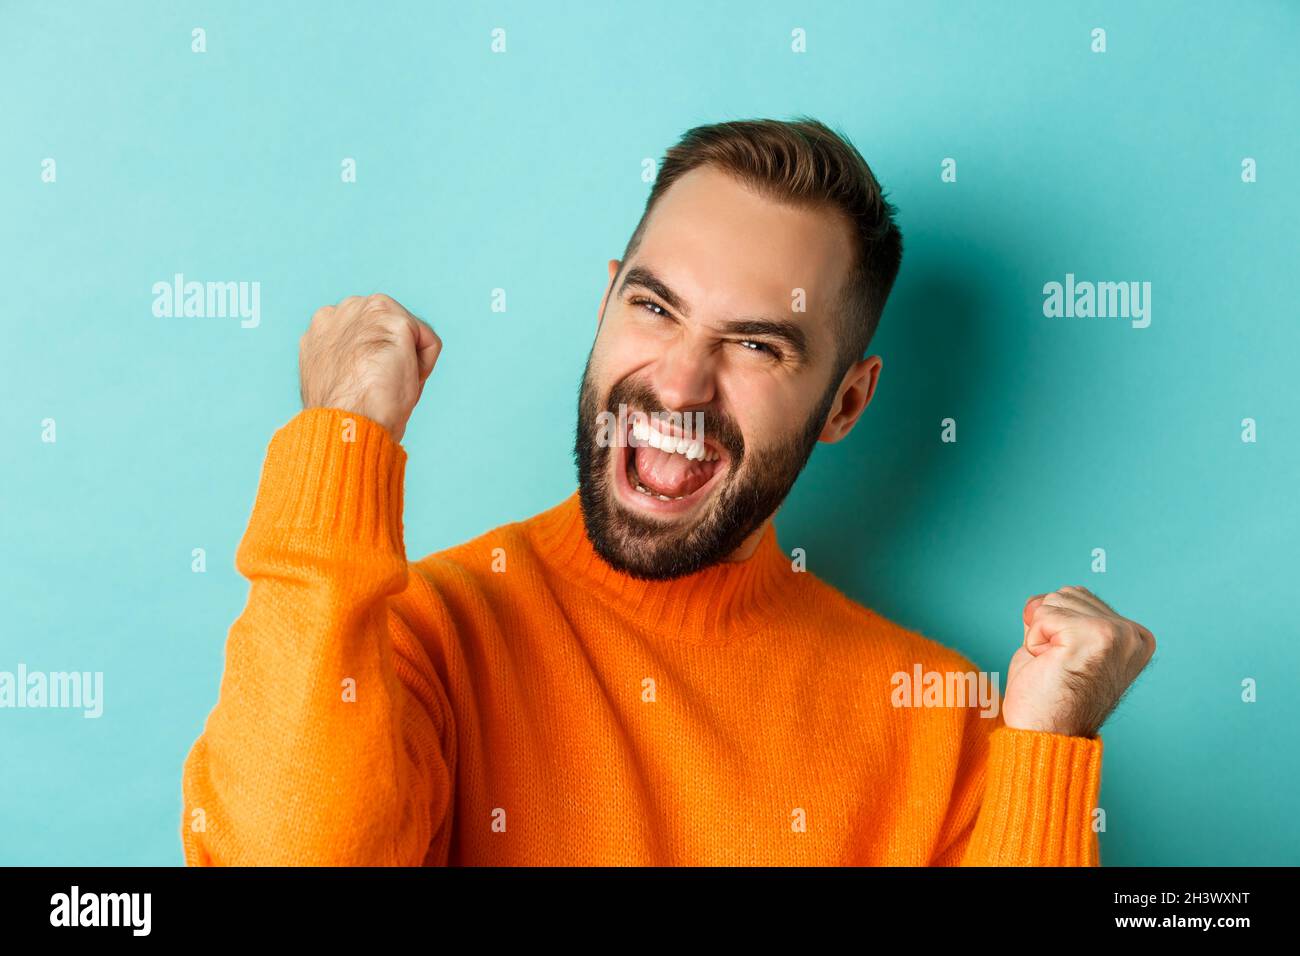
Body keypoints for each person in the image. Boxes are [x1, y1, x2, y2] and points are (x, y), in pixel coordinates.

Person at [180, 117, 1155, 866]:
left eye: (755, 343)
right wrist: (344, 436)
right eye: (654, 307)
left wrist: (1045, 748)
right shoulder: (421, 635)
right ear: (607, 301)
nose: (678, 383)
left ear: (845, 401)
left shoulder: (941, 725)